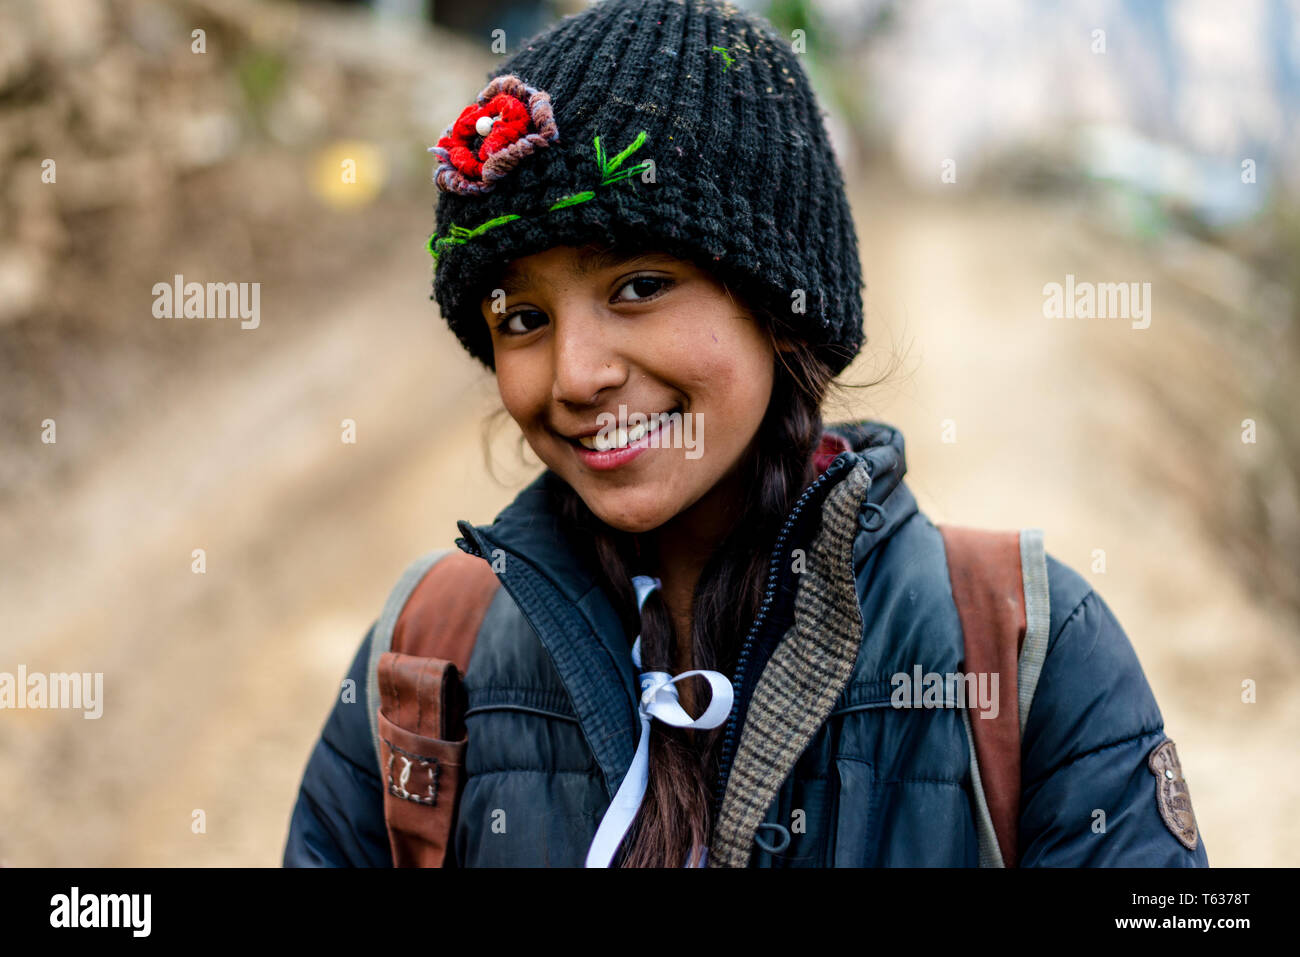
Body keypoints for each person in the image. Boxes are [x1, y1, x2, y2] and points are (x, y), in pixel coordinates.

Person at [283, 0, 1208, 868]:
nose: (575, 375)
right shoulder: (424, 653)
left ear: (780, 308)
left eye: (639, 287)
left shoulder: (1026, 651)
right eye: (521, 318)